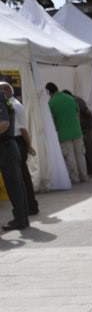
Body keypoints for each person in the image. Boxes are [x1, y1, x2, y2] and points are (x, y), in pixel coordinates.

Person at [0, 82, 38, 216]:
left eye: (2, 90)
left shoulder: (14, 106)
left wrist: (28, 145)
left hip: (16, 141)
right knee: (20, 178)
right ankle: (29, 206)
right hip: (15, 141)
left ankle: (30, 206)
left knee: (20, 178)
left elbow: (23, 129)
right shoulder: (12, 104)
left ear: (7, 91)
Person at [45, 82, 88, 183]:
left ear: (48, 92)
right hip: (77, 131)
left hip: (63, 134)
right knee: (80, 155)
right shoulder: (70, 98)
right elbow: (77, 113)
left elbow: (52, 121)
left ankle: (75, 178)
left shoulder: (51, 103)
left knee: (70, 157)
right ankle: (84, 176)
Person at [0, 87, 29, 231]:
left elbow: (4, 124)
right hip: (8, 146)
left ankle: (20, 219)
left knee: (14, 185)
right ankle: (22, 218)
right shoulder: (5, 99)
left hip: (5, 146)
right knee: (16, 184)